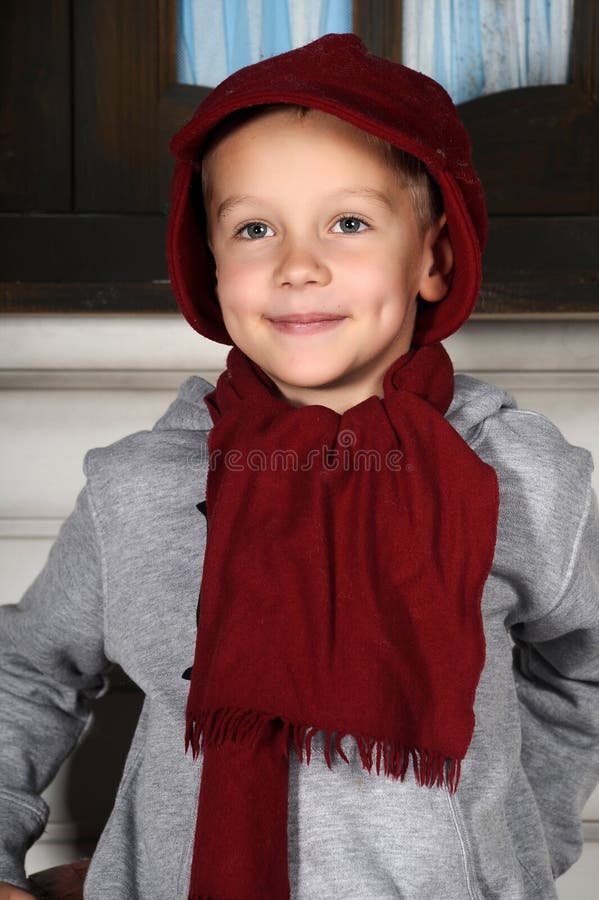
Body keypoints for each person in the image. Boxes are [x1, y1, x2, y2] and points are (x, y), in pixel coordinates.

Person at [1, 32, 598, 900]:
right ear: (209, 265)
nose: (298, 265)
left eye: (348, 223)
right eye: (254, 228)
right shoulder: (143, 487)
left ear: (432, 256)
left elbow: (583, 662)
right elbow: (26, 667)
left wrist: (514, 841)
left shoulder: (516, 476)